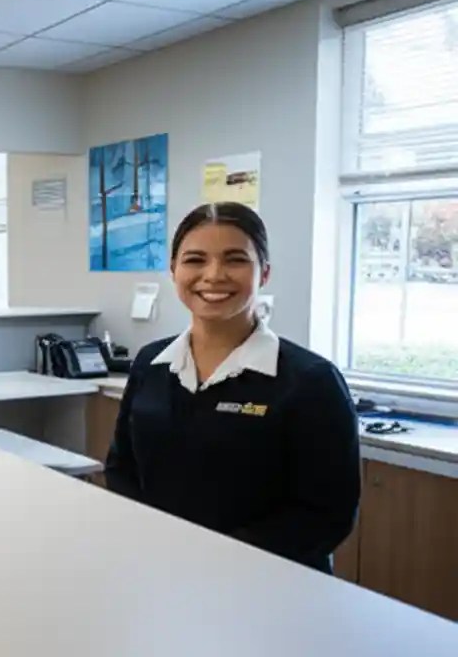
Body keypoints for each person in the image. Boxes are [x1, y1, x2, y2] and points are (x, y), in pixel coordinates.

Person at [105, 202, 360, 573]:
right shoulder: (151, 363)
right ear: (173, 269)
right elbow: (121, 467)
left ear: (265, 273)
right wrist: (156, 544)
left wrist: (215, 559)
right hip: (160, 572)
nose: (214, 275)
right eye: (195, 260)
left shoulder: (310, 381)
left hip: (269, 586)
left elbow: (326, 515)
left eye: (235, 260)